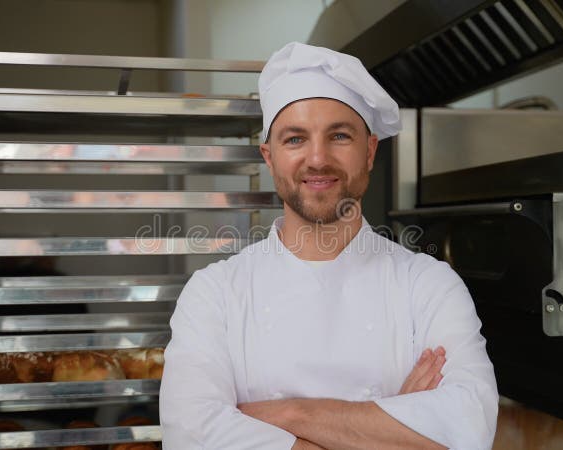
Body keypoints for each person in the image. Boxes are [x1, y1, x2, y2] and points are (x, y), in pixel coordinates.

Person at [160, 42, 498, 450]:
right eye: (295, 139)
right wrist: (396, 429)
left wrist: (289, 415)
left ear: (370, 150)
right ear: (269, 157)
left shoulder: (428, 285)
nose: (317, 159)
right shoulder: (215, 293)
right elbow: (190, 436)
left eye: (339, 135)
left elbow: (470, 428)